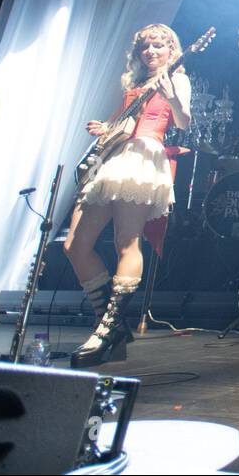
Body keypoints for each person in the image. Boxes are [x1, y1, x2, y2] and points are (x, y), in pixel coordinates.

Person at [63, 24, 192, 368]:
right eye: (145, 46)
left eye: (158, 45)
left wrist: (171, 96)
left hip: (143, 158)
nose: (151, 51)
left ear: (171, 49)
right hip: (114, 158)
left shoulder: (176, 78)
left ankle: (106, 329)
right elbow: (120, 125)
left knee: (126, 242)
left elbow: (183, 120)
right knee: (74, 244)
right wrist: (103, 129)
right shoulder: (133, 85)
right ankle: (115, 327)